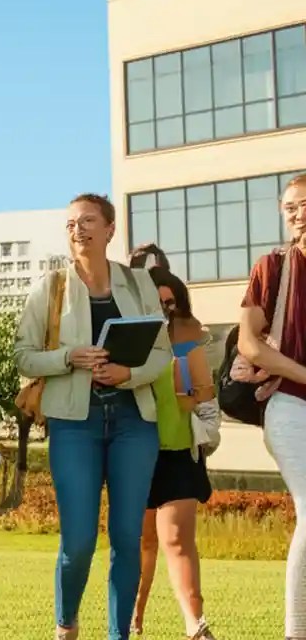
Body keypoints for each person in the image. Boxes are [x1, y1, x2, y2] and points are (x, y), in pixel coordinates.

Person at [15, 194, 171, 640]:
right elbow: (24, 357)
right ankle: (67, 624)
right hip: (73, 423)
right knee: (79, 541)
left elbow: (161, 352)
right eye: (69, 223)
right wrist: (69, 357)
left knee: (127, 538)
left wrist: (129, 372)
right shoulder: (52, 287)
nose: (77, 229)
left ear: (109, 229)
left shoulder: (139, 284)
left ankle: (119, 634)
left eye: (87, 220)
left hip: (133, 422)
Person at [127, 245, 219, 640]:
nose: (165, 307)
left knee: (177, 540)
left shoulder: (188, 340)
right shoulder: (128, 339)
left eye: (171, 301)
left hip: (180, 454)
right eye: (157, 299)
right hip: (136, 452)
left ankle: (195, 626)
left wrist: (191, 397)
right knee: (143, 543)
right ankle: (133, 617)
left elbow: (206, 395)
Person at [237, 172, 306, 640]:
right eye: (289, 207)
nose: (295, 213)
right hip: (290, 405)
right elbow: (250, 345)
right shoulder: (273, 267)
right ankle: (295, 631)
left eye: (303, 204)